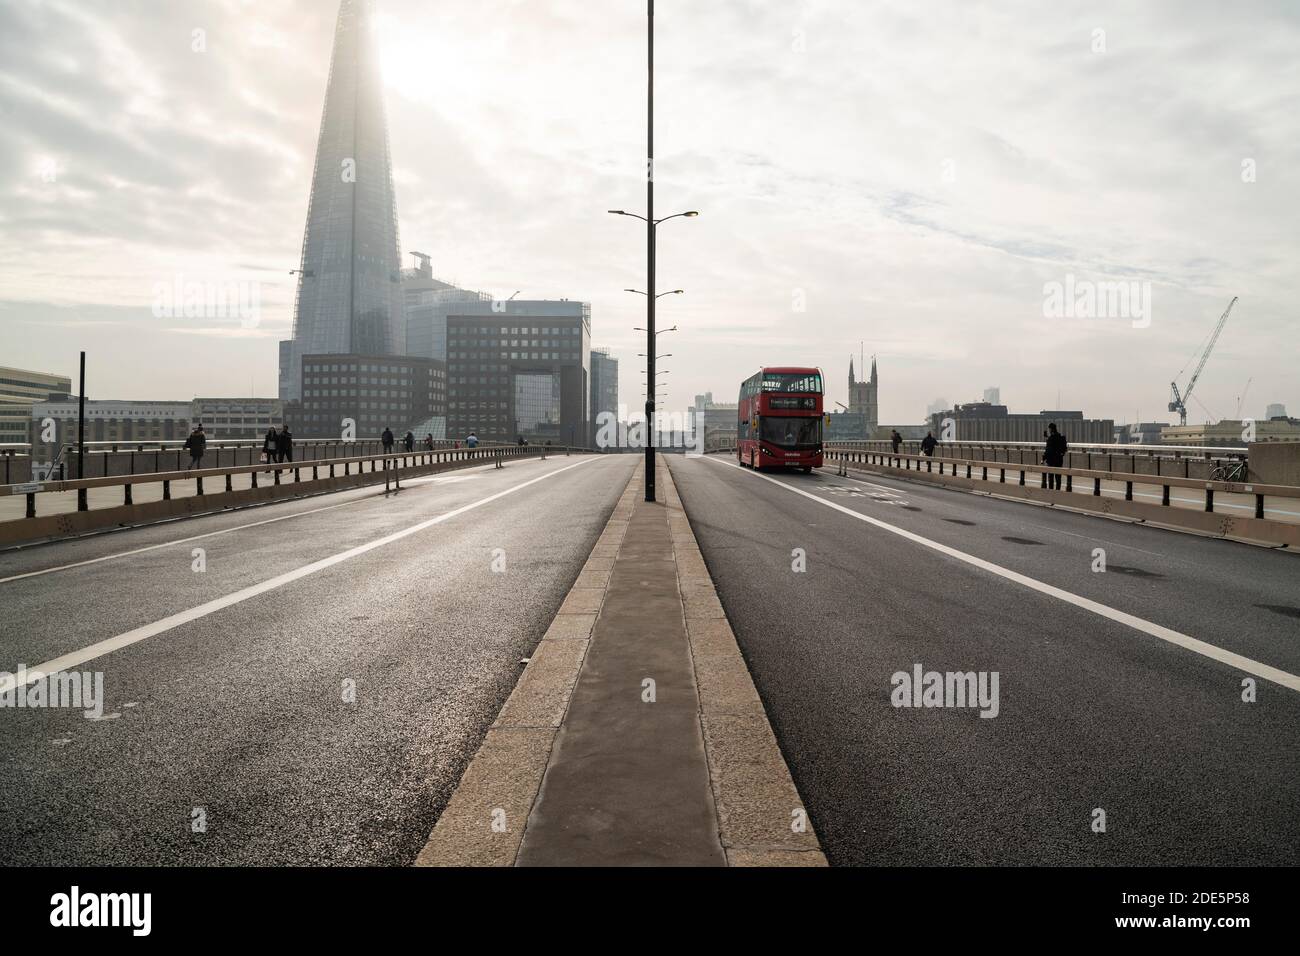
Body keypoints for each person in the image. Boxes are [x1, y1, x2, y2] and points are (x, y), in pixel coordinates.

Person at [1043, 422, 1068, 490]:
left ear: (1051, 429)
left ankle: (1051, 493)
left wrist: (1043, 458)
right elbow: (1064, 449)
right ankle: (1058, 491)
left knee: (1051, 478)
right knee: (1058, 478)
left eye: (1049, 429)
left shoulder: (1050, 439)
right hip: (1059, 460)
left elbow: (1048, 450)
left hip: (1051, 461)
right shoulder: (1061, 437)